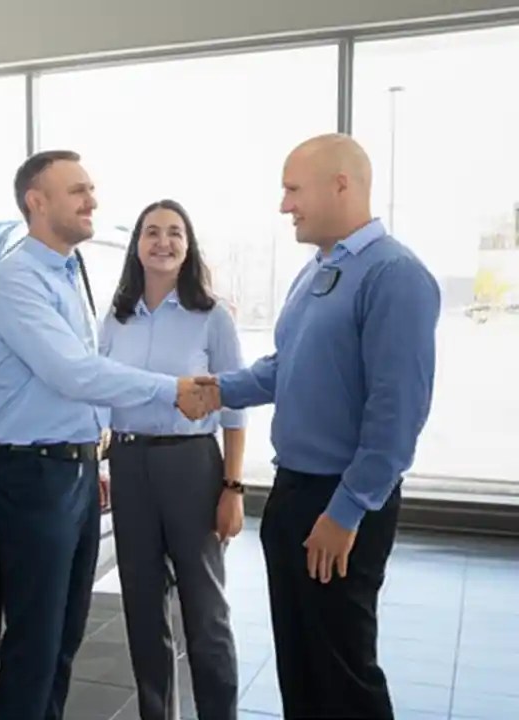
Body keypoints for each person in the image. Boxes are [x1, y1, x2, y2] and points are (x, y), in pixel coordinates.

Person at [197, 133, 441, 719]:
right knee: (301, 664)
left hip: (340, 503)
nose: (285, 205)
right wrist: (214, 390)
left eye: (293, 189)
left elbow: (397, 411)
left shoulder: (395, 275)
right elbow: (287, 368)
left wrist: (348, 509)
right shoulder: (316, 273)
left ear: (342, 184)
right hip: (294, 493)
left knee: (342, 671)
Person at [0, 149, 214, 720]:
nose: (93, 201)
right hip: (34, 476)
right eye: (78, 191)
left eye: (91, 189)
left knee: (64, 638)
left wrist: (92, 455)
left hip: (73, 472)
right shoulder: (18, 280)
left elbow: (81, 374)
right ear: (38, 201)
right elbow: (73, 373)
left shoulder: (66, 273)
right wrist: (170, 389)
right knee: (35, 642)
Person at [99, 199, 246, 720]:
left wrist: (232, 489)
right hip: (129, 466)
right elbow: (99, 391)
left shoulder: (212, 317)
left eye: (175, 233)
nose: (163, 242)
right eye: (152, 232)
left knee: (205, 614)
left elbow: (234, 409)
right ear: (136, 245)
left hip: (192, 468)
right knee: (142, 610)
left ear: (189, 245)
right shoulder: (115, 320)